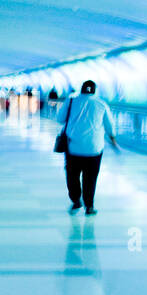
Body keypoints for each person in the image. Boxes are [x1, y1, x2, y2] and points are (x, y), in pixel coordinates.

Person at [57, 79, 118, 216]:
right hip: (94, 148)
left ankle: (76, 200)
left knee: (72, 175)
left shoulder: (72, 101)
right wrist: (113, 138)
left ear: (81, 89)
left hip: (73, 146)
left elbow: (60, 118)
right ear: (95, 90)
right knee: (90, 177)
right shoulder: (101, 104)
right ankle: (89, 206)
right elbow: (109, 125)